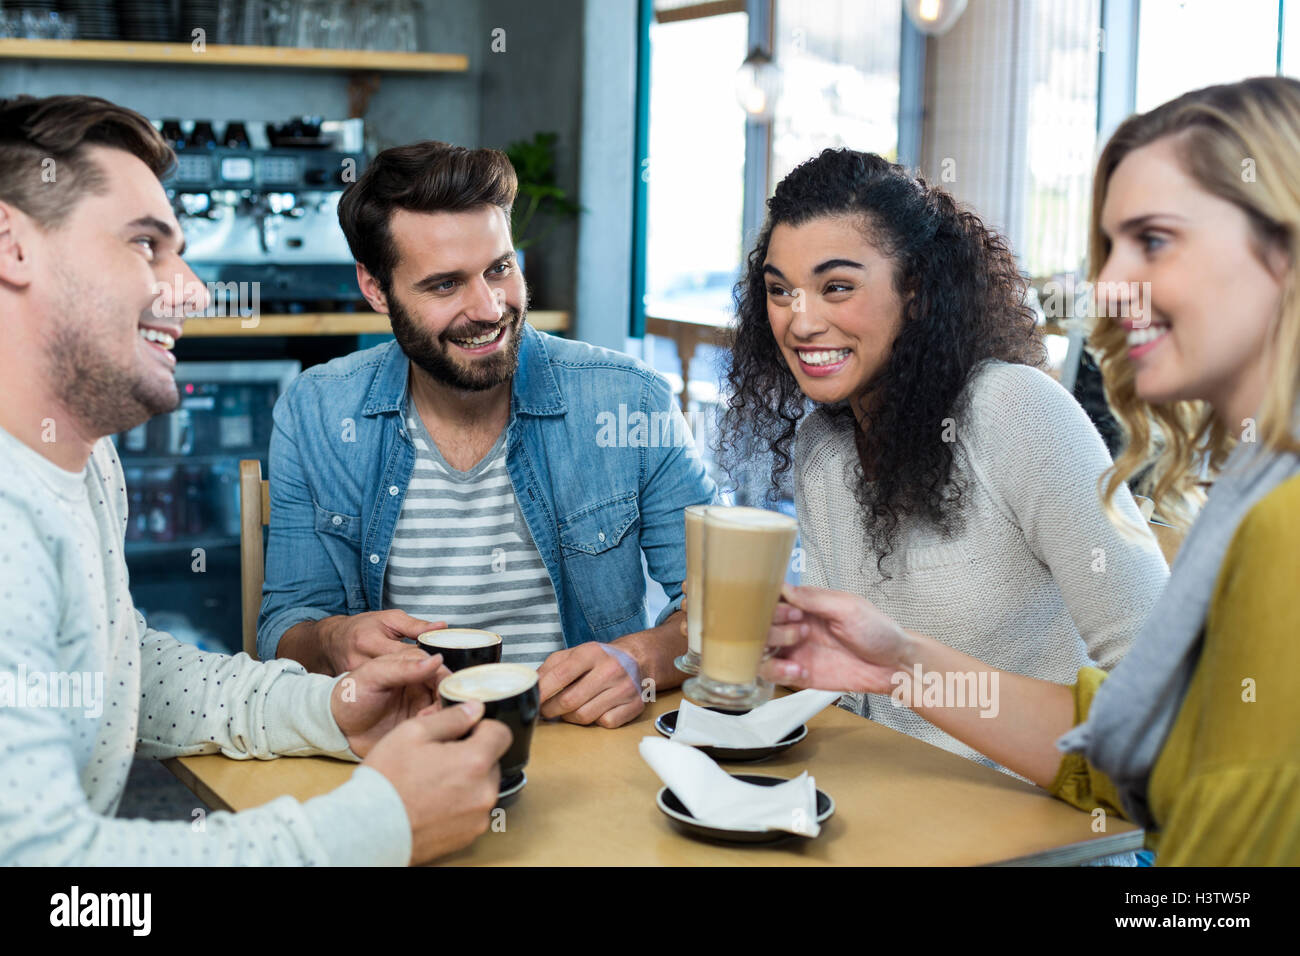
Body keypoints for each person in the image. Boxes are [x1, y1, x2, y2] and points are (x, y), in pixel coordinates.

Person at [761, 77, 1300, 865]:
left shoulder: (1274, 521)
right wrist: (900, 663)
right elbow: (1142, 750)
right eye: (1108, 246)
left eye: (1153, 241)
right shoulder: (1255, 491)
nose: (1111, 286)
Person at [0, 94, 510, 865]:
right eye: (146, 246)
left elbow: (126, 669)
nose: (196, 294)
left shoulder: (84, 458)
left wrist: (332, 708)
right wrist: (377, 826)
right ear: (12, 245)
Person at [716, 148, 1167, 769]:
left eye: (837, 286)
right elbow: (857, 695)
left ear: (918, 292)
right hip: (891, 817)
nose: (800, 320)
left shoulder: (1017, 411)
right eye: (779, 290)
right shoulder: (821, 446)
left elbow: (1163, 691)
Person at [260, 140, 717, 729]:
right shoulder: (315, 412)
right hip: (401, 748)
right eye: (445, 285)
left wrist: (643, 658)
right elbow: (284, 629)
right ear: (375, 289)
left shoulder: (630, 400)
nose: (489, 308)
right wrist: (331, 638)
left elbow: (727, 612)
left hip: (592, 746)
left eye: (499, 268)